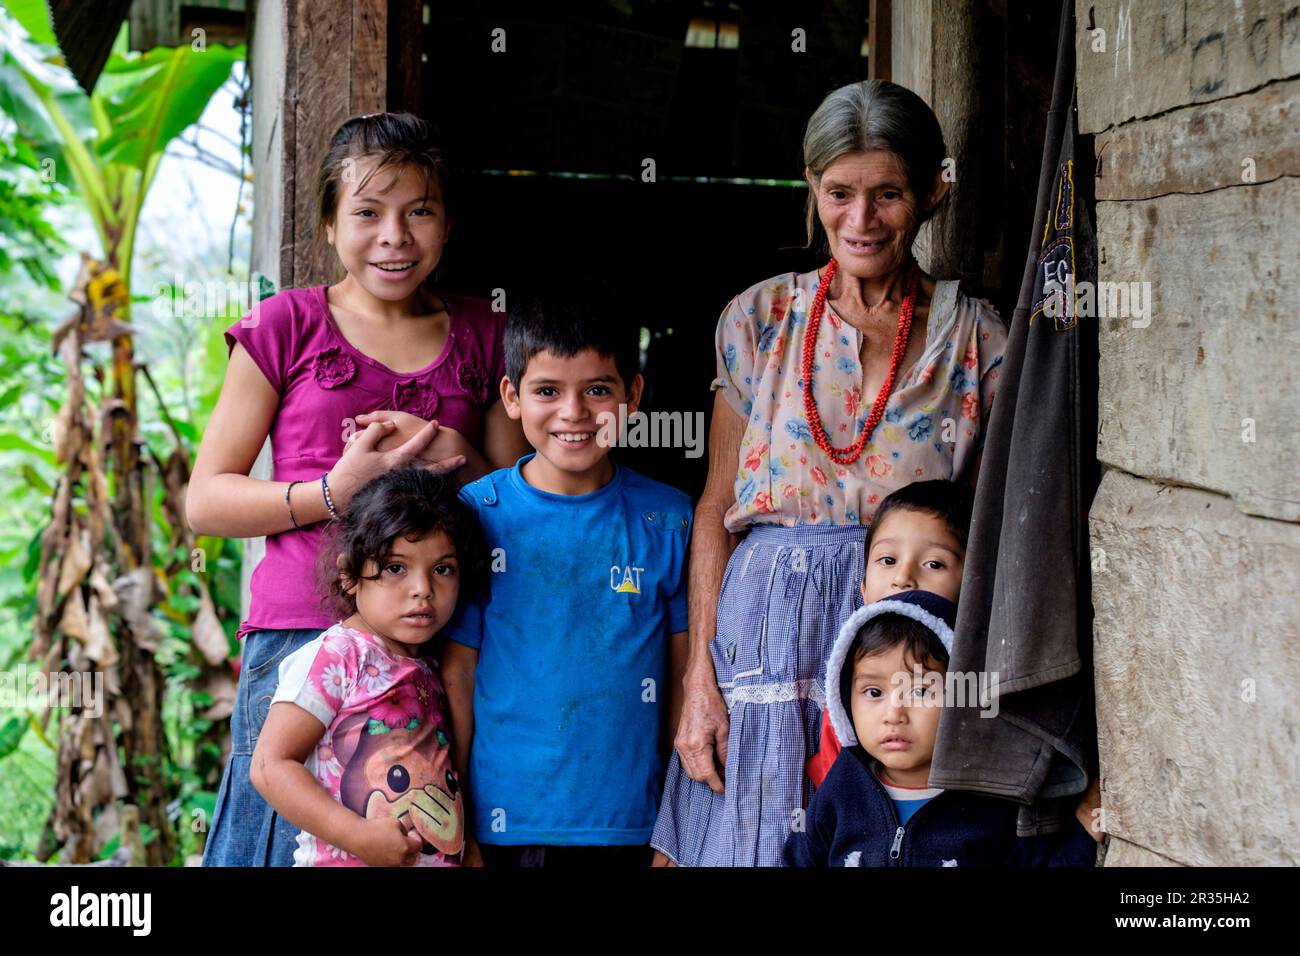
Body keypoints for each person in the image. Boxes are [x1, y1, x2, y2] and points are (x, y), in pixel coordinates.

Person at [653, 79, 1009, 867]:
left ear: (930, 193)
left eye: (888, 194)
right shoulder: (757, 319)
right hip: (760, 649)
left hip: (902, 659)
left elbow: (997, 532)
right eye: (840, 193)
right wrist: (699, 685)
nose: (861, 220)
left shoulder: (979, 340)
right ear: (813, 188)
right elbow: (715, 507)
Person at [189, 112, 529, 866]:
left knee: (419, 842)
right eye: (368, 212)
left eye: (420, 212)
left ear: (447, 222)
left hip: (438, 640)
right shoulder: (286, 327)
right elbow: (205, 501)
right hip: (302, 637)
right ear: (329, 222)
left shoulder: (486, 332)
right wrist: (332, 492)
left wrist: (466, 458)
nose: (395, 237)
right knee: (280, 842)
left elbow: (520, 509)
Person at [440, 298, 692, 867]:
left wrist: (677, 823)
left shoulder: (671, 519)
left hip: (629, 826)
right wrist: (457, 820)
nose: (574, 412)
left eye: (599, 390)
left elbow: (681, 682)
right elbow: (457, 674)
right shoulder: (477, 514)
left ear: (633, 394)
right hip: (505, 821)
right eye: (548, 391)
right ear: (511, 398)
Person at [250, 468, 486, 866]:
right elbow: (270, 766)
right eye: (396, 567)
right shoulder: (338, 656)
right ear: (349, 574)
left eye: (442, 569)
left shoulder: (429, 666)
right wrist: (359, 837)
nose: (423, 589)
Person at [782, 589, 1102, 866]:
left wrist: (1084, 831)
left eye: (920, 691)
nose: (894, 713)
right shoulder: (842, 790)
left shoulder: (993, 801)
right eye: (874, 692)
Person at [806, 478, 972, 787]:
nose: (903, 578)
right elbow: (832, 790)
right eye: (888, 560)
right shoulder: (848, 685)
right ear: (864, 590)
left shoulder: (979, 673)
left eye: (934, 564)